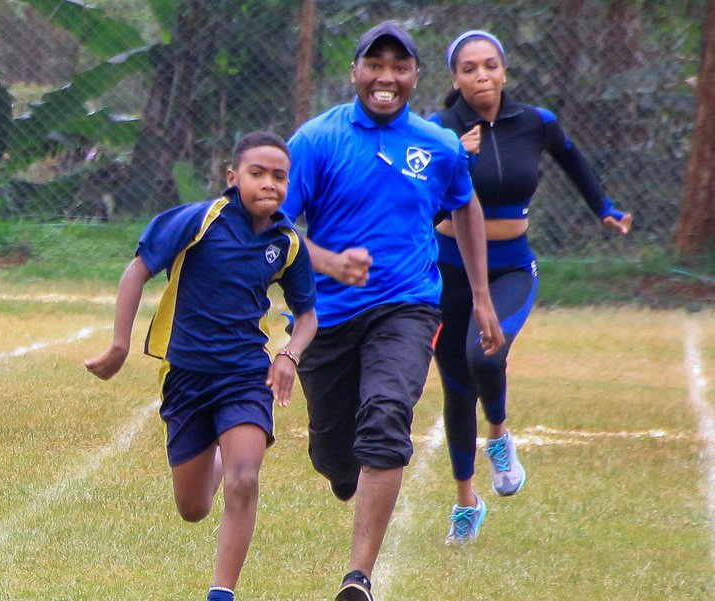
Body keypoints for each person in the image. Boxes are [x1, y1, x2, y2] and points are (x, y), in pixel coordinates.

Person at [280, 22, 505, 601]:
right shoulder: (316, 140)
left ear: (415, 77)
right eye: (374, 65)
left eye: (399, 67)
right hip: (326, 317)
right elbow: (274, 226)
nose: (386, 77)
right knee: (335, 455)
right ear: (355, 71)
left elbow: (467, 209)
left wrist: (481, 296)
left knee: (384, 417)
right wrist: (327, 263)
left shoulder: (439, 145)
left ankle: (358, 578)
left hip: (407, 306)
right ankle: (343, 470)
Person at [85, 132, 318, 601]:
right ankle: (218, 451)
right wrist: (119, 344)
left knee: (245, 478)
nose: (269, 184)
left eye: (279, 176)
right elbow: (137, 270)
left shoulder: (288, 242)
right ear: (233, 178)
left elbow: (308, 315)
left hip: (245, 377)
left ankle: (221, 592)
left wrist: (289, 354)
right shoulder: (200, 220)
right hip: (186, 377)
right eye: (257, 173)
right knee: (192, 508)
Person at [427, 30, 632, 544]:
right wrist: (453, 156)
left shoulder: (534, 122)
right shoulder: (436, 130)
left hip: (512, 267)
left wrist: (603, 207)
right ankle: (465, 503)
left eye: (490, 65)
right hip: (449, 270)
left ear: (504, 71)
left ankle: (498, 435)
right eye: (469, 68)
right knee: (455, 387)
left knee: (485, 355)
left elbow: (572, 158)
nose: (481, 76)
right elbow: (421, 203)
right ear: (454, 78)